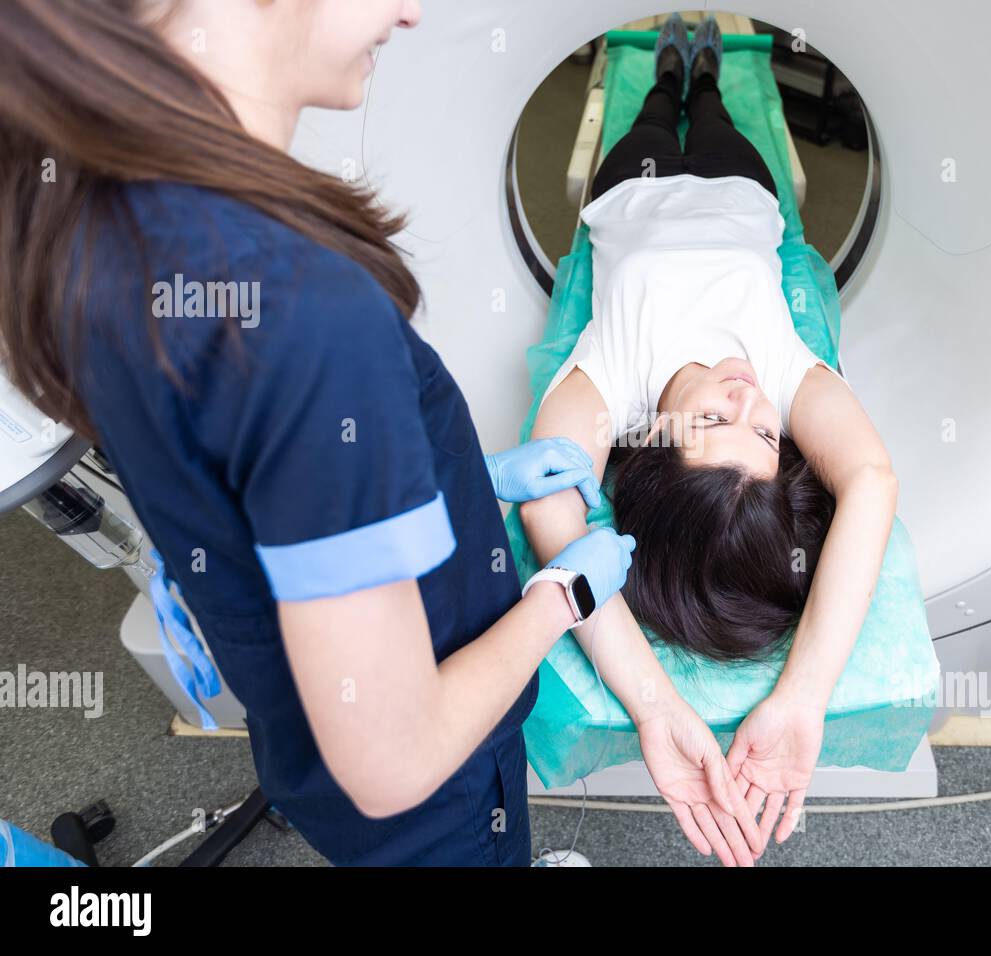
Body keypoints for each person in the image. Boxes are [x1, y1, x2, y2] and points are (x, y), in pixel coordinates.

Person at [0, 0, 637, 866]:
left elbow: (258, 469)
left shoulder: (101, 214)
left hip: (304, 741)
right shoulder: (304, 311)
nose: (411, 12)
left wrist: (460, 471)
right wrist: (563, 596)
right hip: (430, 804)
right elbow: (396, 761)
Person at [520, 15, 899, 857]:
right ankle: (689, 74)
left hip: (632, 192)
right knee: (710, 117)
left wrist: (656, 707)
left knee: (656, 126)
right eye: (763, 430)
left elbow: (551, 507)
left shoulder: (611, 380)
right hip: (738, 192)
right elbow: (870, 480)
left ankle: (677, 80)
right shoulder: (777, 371)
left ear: (653, 442)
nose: (744, 397)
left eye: (712, 423)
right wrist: (803, 697)